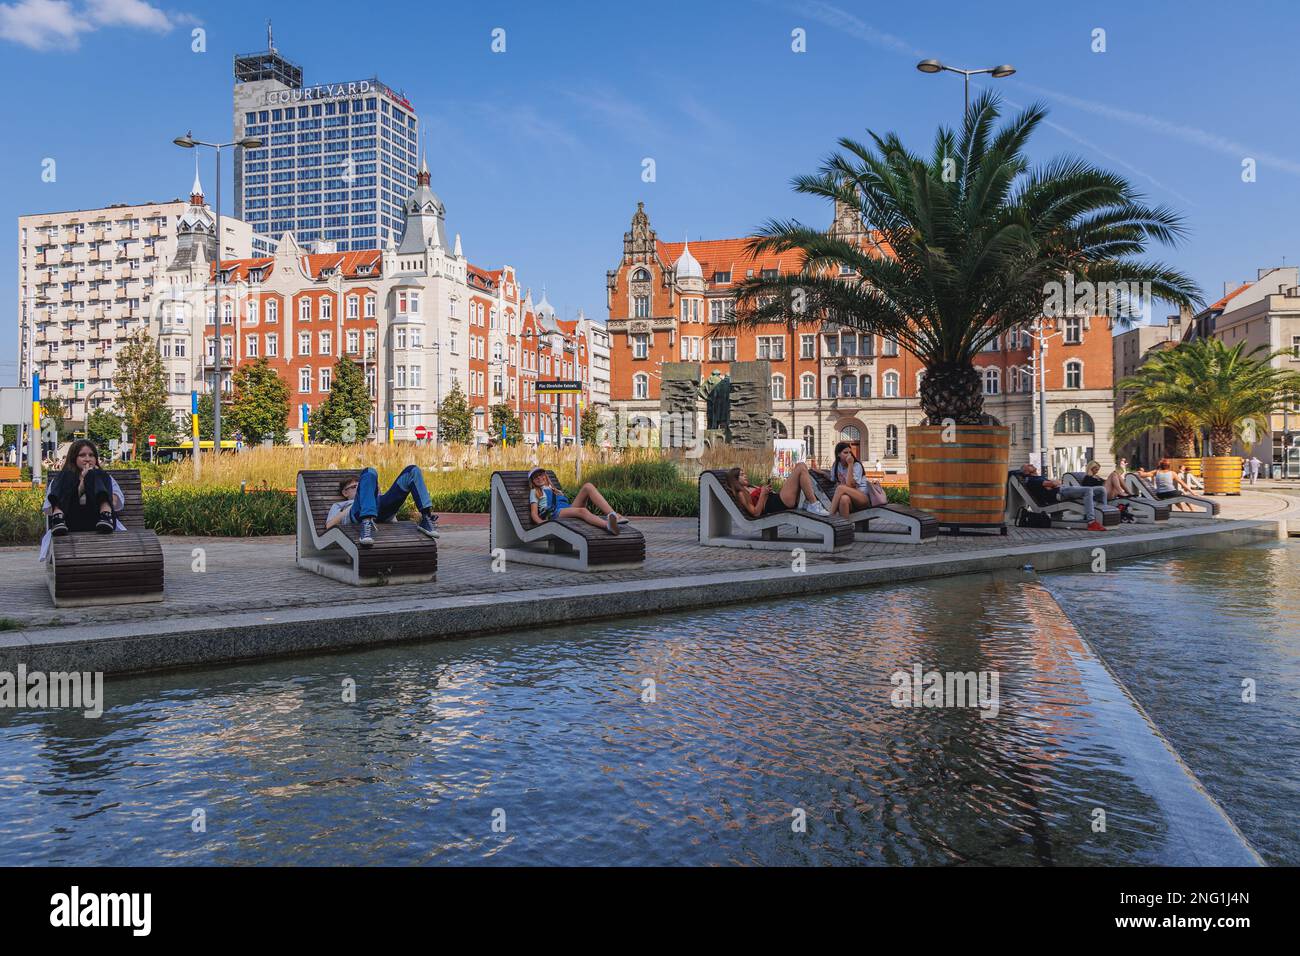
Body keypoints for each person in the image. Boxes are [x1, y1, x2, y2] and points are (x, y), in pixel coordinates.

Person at [39, 439, 126, 563]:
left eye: (91, 455)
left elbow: (116, 503)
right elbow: (48, 507)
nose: (87, 459)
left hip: (100, 523)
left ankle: (105, 514)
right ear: (74, 457)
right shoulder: (62, 478)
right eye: (82, 455)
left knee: (95, 474)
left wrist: (91, 480)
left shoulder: (104, 477)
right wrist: (81, 486)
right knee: (67, 474)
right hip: (68, 524)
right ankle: (58, 518)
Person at [326, 465, 439, 548]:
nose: (359, 487)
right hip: (357, 513)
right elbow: (329, 525)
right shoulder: (340, 505)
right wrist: (349, 509)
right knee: (369, 471)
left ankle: (426, 516)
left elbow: (392, 519)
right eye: (355, 486)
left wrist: (375, 494)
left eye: (360, 485)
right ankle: (366, 522)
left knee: (412, 470)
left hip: (379, 507)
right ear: (345, 493)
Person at [527, 467, 625, 534]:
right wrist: (541, 524)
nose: (539, 478)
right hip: (554, 513)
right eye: (536, 477)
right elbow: (534, 513)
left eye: (541, 475)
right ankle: (608, 526)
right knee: (582, 511)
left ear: (545, 476)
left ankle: (613, 514)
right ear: (533, 482)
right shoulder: (535, 491)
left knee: (588, 486)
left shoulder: (552, 488)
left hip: (566, 509)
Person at [723, 463, 831, 519]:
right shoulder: (742, 493)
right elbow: (755, 513)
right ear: (735, 479)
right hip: (777, 503)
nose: (745, 476)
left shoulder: (750, 487)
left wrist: (766, 491)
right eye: (742, 475)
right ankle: (813, 503)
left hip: (778, 499)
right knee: (800, 467)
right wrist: (763, 494)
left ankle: (811, 502)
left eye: (745, 473)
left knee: (801, 466)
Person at [1019, 463, 1107, 531]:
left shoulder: (1039, 477)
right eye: (1029, 465)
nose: (1032, 465)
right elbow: (1053, 484)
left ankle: (1104, 514)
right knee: (1088, 490)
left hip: (1064, 489)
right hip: (1060, 493)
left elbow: (1055, 483)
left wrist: (1054, 484)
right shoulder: (1031, 480)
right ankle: (1091, 522)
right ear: (1026, 471)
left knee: (1101, 489)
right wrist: (1054, 483)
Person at [827, 441, 886, 517]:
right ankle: (845, 526)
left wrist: (850, 464)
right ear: (838, 454)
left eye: (850, 452)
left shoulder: (856, 465)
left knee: (841, 488)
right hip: (850, 500)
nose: (848, 455)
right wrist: (822, 473)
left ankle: (831, 514)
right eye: (845, 452)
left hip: (862, 499)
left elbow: (849, 485)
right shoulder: (836, 465)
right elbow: (832, 479)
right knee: (844, 499)